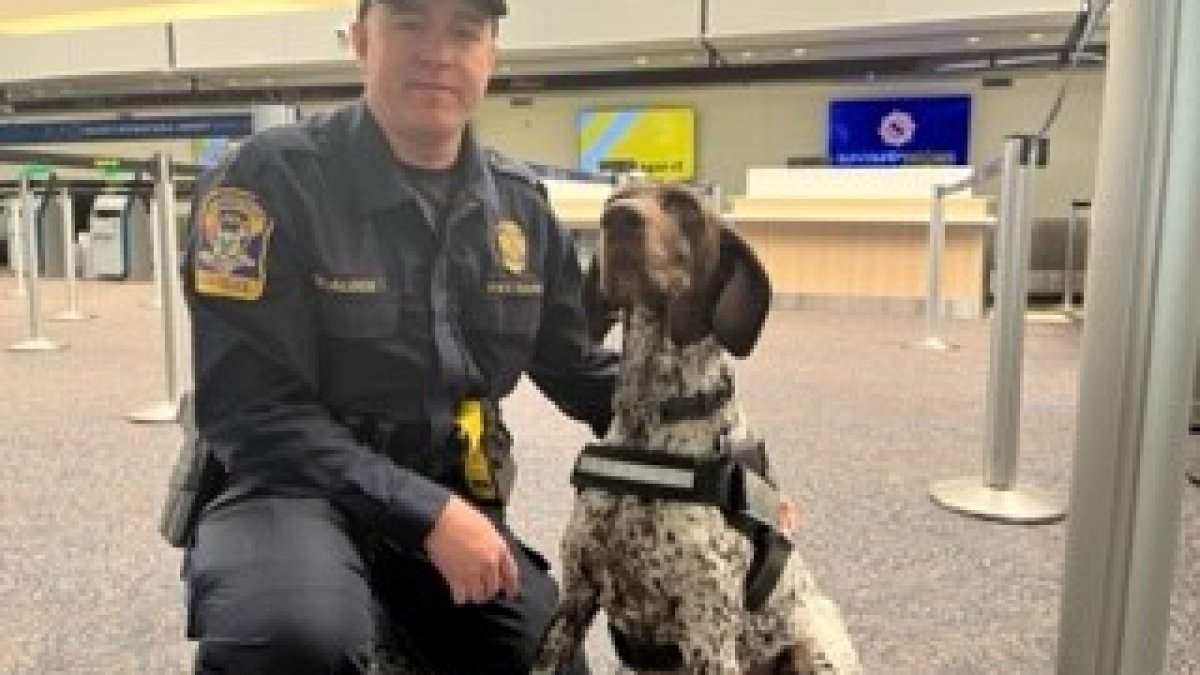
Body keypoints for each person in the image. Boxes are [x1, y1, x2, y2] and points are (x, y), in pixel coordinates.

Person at [179, 0, 617, 672]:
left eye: (464, 31)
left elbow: (582, 370)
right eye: (410, 24)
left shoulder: (520, 210)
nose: (438, 52)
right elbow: (251, 410)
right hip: (290, 487)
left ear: (491, 55)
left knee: (547, 657)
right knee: (297, 639)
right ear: (360, 40)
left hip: (450, 491)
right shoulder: (268, 181)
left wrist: (732, 458)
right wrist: (425, 513)